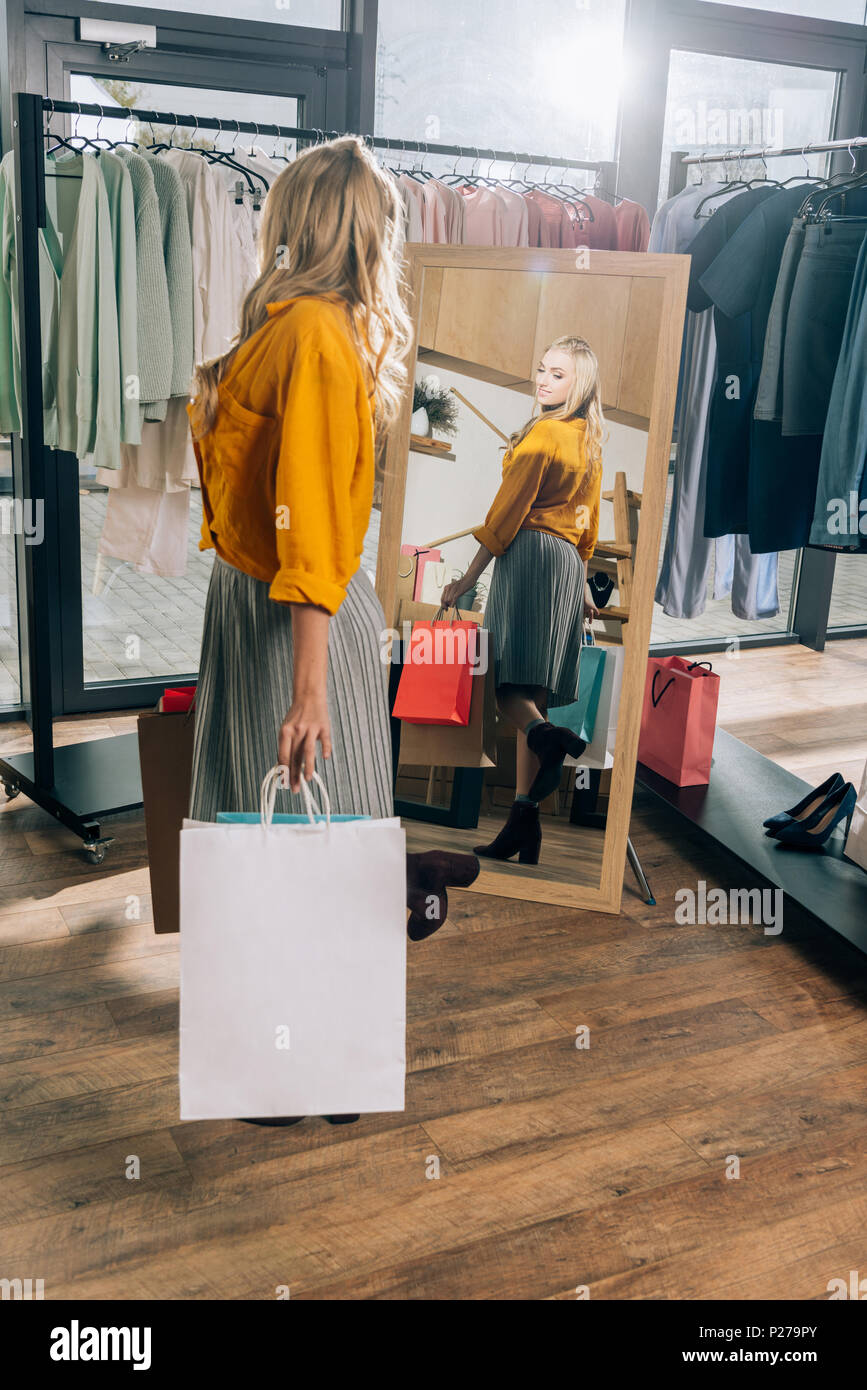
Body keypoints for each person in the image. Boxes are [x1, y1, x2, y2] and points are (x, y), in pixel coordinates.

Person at [187, 135, 480, 1127]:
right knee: (314, 828)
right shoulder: (309, 331)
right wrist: (308, 680)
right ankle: (307, 1054)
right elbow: (301, 514)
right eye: (387, 224)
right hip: (281, 610)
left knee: (287, 827)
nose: (392, 241)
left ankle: (300, 1057)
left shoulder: (284, 327)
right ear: (357, 232)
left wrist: (305, 677)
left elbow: (296, 513)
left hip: (273, 608)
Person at [440, 337, 604, 866]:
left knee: (506, 689)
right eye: (541, 370)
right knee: (535, 695)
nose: (543, 381)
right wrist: (580, 591)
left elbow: (504, 518)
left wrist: (466, 579)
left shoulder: (543, 437)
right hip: (563, 569)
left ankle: (545, 739)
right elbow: (586, 532)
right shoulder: (590, 442)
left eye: (557, 375)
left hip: (530, 557)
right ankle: (524, 826)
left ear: (578, 385)